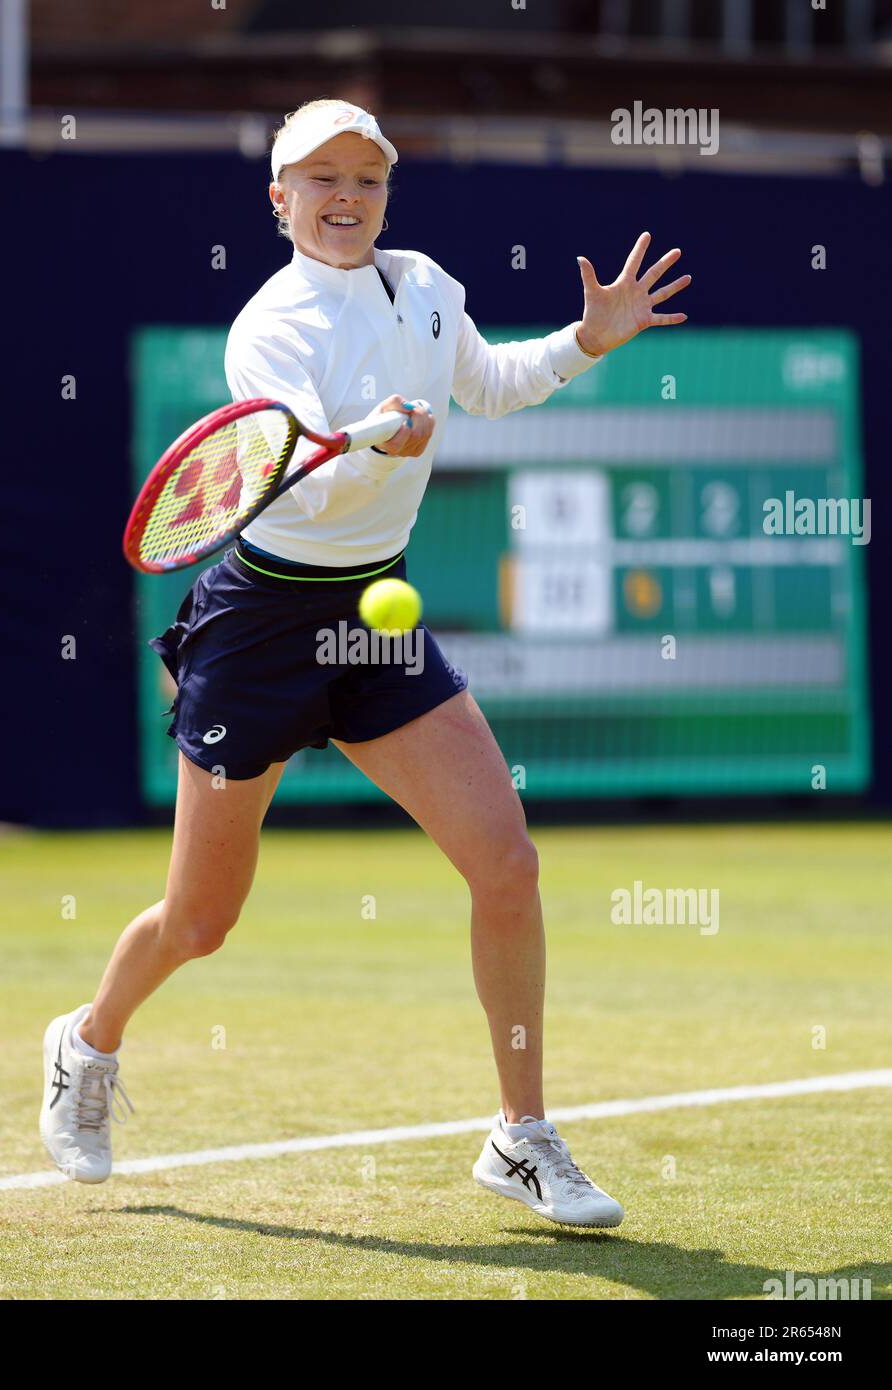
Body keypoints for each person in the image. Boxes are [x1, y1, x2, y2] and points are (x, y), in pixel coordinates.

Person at [40, 99, 690, 1227]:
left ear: (387, 193)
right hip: (259, 627)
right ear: (279, 198)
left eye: (367, 179)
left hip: (375, 613)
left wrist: (585, 342)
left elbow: (486, 384)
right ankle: (86, 1043)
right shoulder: (268, 328)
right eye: (320, 178)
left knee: (508, 863)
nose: (346, 197)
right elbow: (287, 467)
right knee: (202, 920)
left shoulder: (431, 286)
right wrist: (372, 437)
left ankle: (520, 1135)